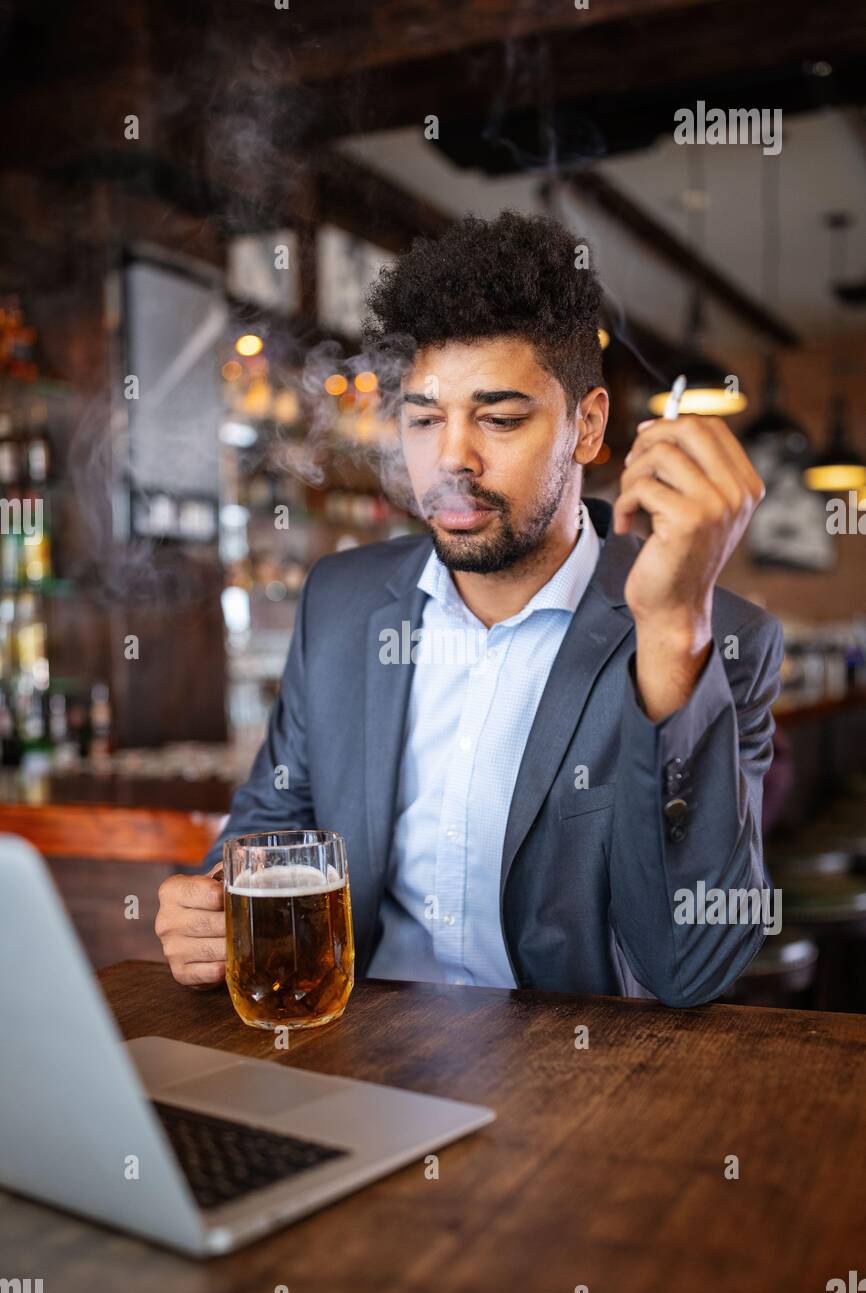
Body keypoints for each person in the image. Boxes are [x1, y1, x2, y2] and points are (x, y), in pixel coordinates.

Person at [155, 210, 780, 1007]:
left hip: (576, 1094)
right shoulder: (342, 604)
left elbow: (691, 966)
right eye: (423, 419)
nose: (451, 459)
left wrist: (670, 627)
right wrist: (209, 901)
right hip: (356, 1063)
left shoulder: (718, 638)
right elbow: (272, 820)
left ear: (586, 427)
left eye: (500, 418)